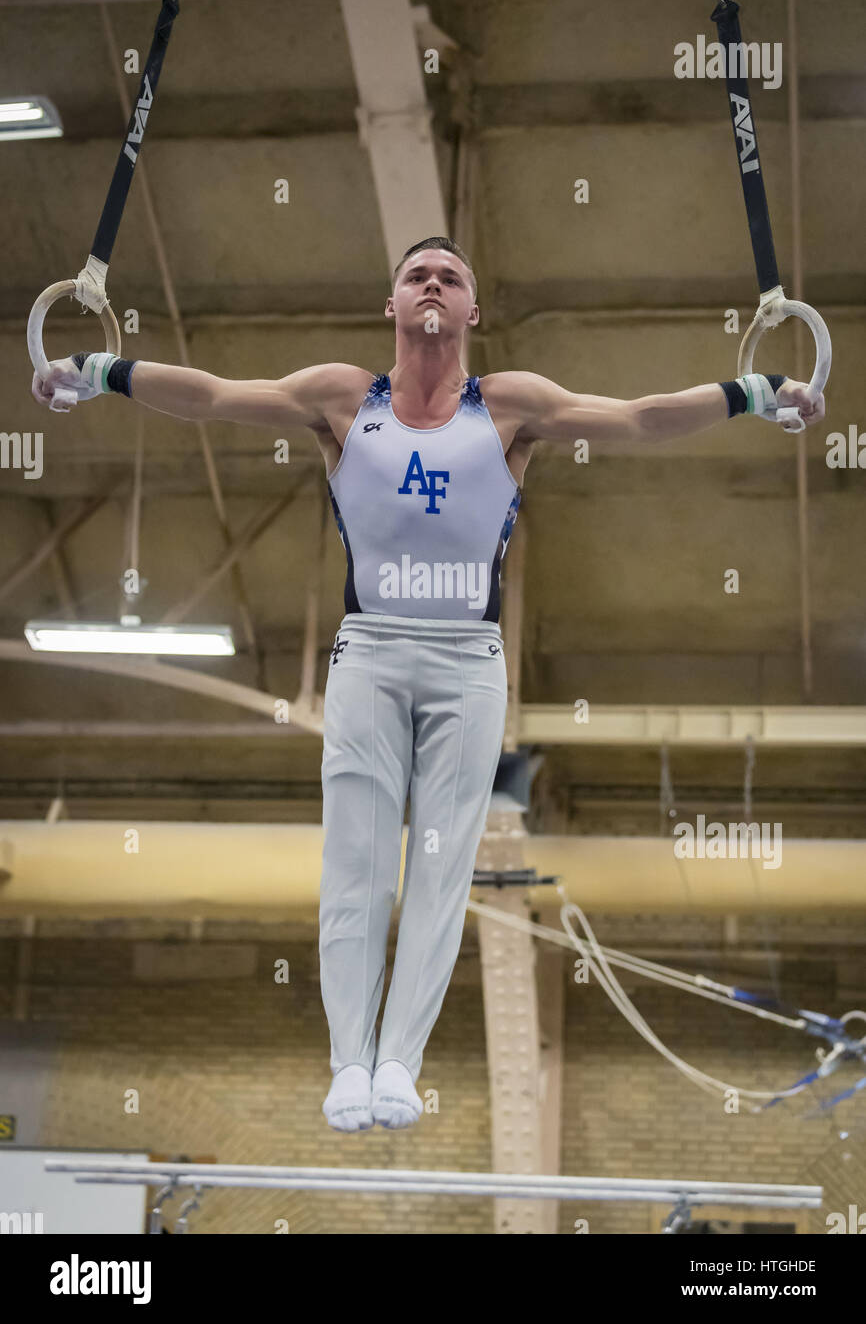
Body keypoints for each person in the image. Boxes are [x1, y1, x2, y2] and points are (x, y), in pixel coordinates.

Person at [31, 236, 825, 1133]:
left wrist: (753, 394)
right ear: (393, 306)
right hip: (369, 651)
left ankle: (400, 1061)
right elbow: (212, 398)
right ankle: (348, 1062)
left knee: (444, 867)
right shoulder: (341, 397)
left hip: (467, 664)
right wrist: (102, 370)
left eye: (451, 276)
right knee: (358, 863)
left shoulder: (513, 406)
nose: (434, 285)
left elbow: (640, 419)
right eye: (418, 276)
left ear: (473, 312)